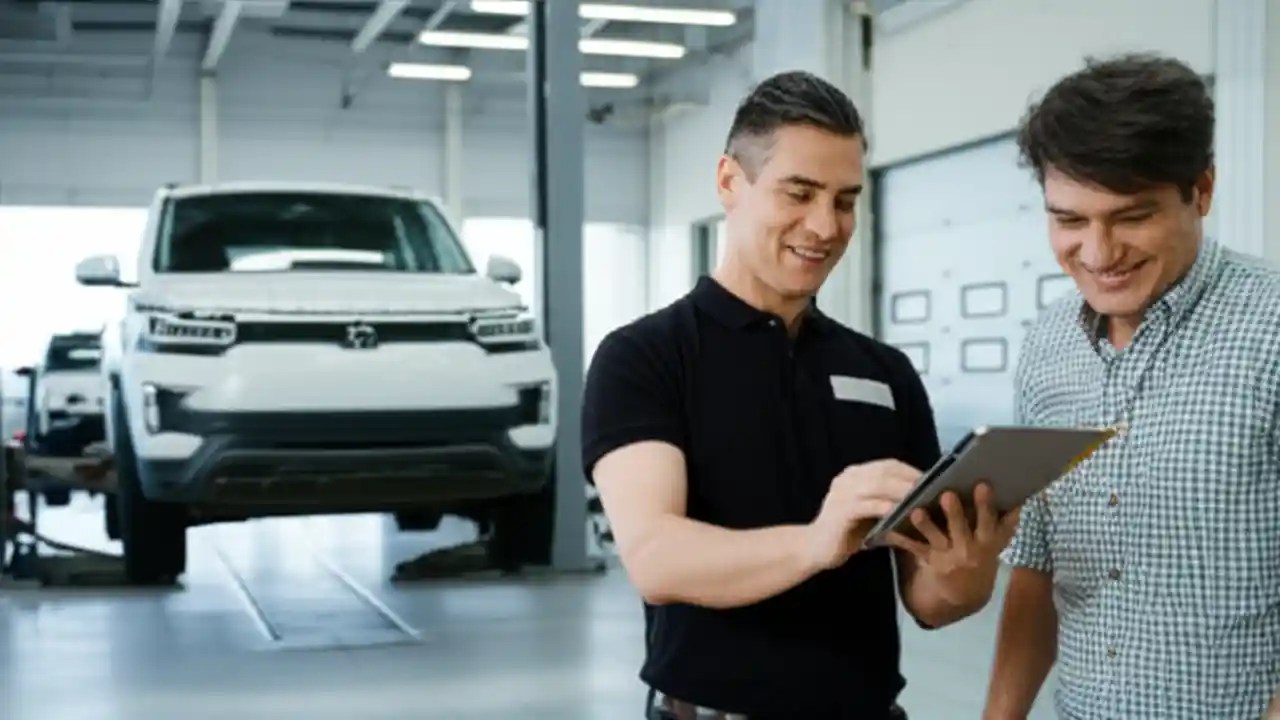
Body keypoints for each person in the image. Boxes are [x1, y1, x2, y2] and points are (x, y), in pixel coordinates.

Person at [581, 70, 1020, 720]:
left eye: (844, 200)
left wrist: (968, 563)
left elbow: (929, 604)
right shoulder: (645, 357)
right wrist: (816, 542)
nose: (825, 225)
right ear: (730, 181)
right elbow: (656, 557)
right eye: (800, 193)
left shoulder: (885, 372)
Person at [982, 53, 1280, 720]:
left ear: (1201, 190)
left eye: (1130, 216)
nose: (1099, 251)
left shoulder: (1272, 329)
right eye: (1070, 220)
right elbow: (1036, 565)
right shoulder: (1048, 345)